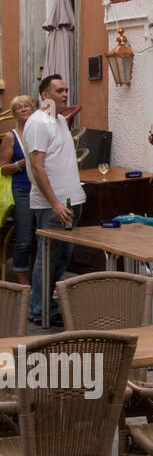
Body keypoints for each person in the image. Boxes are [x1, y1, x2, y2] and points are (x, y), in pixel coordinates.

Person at [24, 76, 86, 325]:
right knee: (47, 257)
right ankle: (39, 310)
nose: (65, 94)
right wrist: (55, 204)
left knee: (61, 257)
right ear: (45, 96)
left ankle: (47, 304)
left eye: (66, 90)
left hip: (70, 200)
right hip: (54, 205)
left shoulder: (59, 120)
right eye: (59, 91)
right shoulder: (38, 122)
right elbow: (38, 168)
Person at [0, 96, 38, 287]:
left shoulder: (40, 133)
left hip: (40, 190)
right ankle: (23, 280)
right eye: (18, 108)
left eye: (27, 106)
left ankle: (42, 278)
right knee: (24, 237)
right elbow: (2, 168)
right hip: (20, 189)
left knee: (43, 236)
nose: (24, 110)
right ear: (14, 114)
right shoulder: (10, 137)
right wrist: (19, 164)